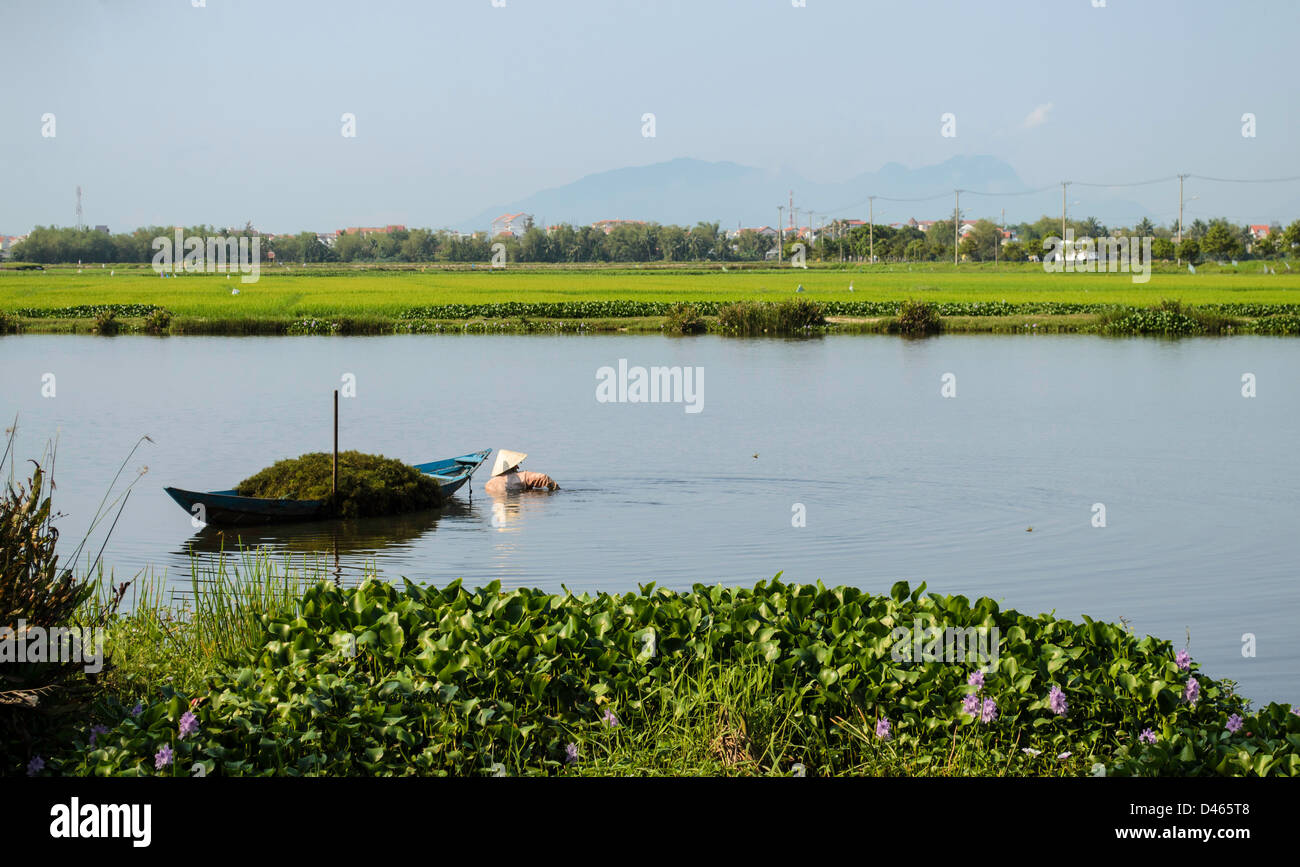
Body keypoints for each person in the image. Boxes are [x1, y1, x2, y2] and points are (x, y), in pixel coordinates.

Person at [484, 449, 559, 495]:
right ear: (512, 466)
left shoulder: (489, 483)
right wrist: (556, 489)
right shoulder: (521, 476)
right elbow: (543, 477)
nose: (518, 467)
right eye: (516, 464)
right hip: (516, 496)